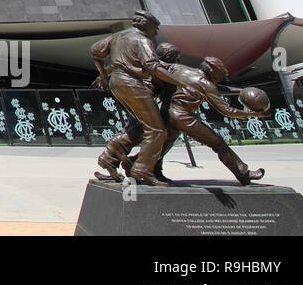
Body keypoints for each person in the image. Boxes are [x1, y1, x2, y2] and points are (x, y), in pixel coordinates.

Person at [90, 11, 172, 185]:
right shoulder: (142, 40)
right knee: (157, 130)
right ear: (145, 25)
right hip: (132, 85)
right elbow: (152, 66)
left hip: (117, 83)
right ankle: (142, 169)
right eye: (154, 28)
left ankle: (110, 158)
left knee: (138, 127)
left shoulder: (117, 36)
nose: (156, 33)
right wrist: (183, 80)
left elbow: (95, 51)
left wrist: (104, 75)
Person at [160, 56, 266, 184]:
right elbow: (227, 110)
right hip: (183, 117)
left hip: (167, 112)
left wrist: (241, 91)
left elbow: (215, 89)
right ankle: (243, 173)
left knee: (163, 145)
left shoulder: (180, 69)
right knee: (218, 143)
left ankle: (142, 164)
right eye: (220, 75)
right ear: (211, 71)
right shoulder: (205, 84)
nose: (219, 79)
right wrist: (250, 114)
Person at [109, 42, 182, 182]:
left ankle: (149, 166)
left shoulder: (155, 66)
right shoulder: (160, 68)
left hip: (149, 103)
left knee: (152, 136)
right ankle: (116, 160)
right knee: (155, 134)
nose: (179, 59)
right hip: (146, 104)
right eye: (176, 56)